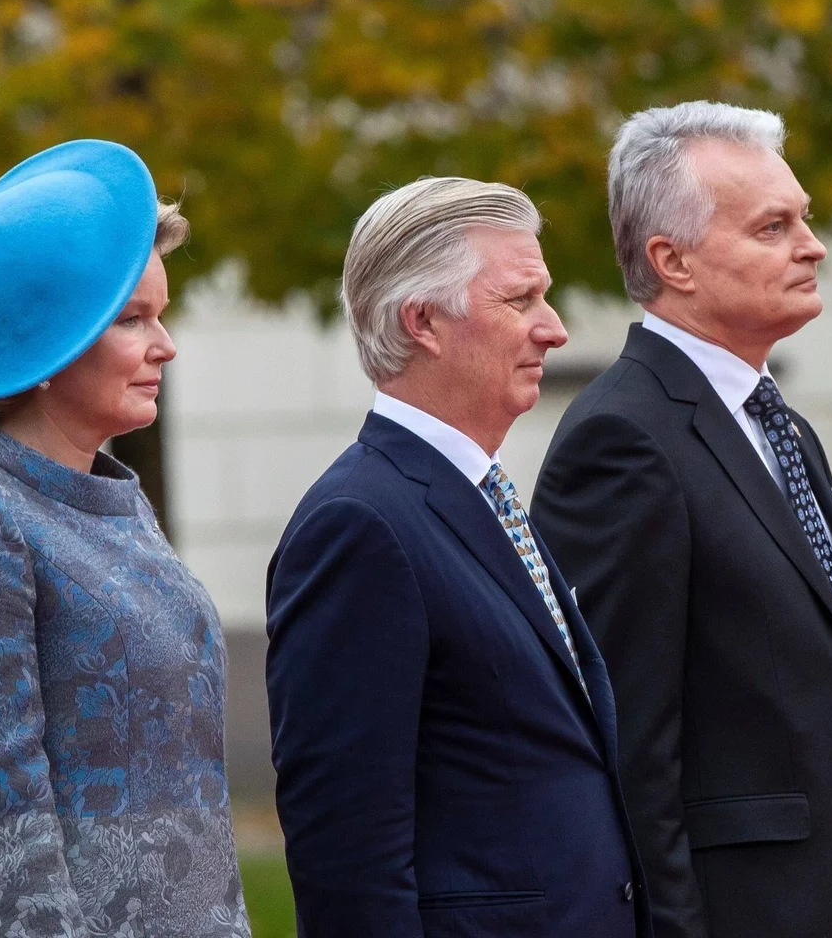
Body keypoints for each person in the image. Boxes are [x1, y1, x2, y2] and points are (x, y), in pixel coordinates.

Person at [530, 101, 832, 938]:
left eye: (805, 219)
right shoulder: (621, 439)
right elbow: (625, 744)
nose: (812, 246)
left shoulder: (780, 424)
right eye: (773, 227)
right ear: (673, 261)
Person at [264, 176, 649, 938]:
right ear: (423, 322)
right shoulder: (359, 525)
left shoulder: (478, 497)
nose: (554, 330)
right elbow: (347, 859)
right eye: (520, 300)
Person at [0, 140, 251, 938]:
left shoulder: (114, 502)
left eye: (159, 314)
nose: (166, 345)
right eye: (133, 319)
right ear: (50, 345)